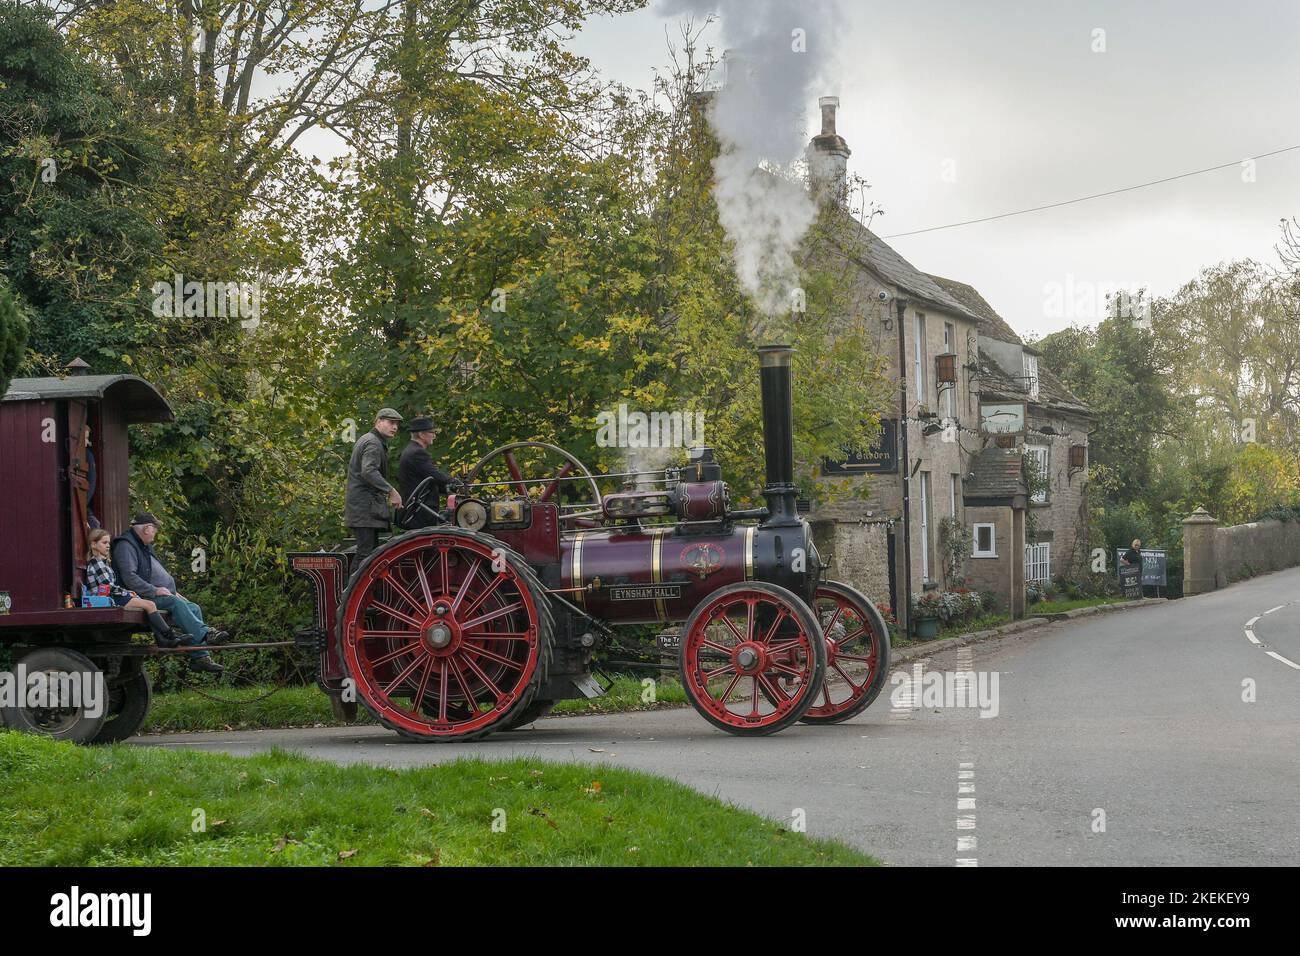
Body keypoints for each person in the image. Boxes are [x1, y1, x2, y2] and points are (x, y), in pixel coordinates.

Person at [112, 513, 228, 674]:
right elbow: (130, 578)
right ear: (147, 528)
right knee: (175, 603)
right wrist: (155, 590)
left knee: (194, 607)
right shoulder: (126, 545)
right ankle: (206, 634)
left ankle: (200, 658)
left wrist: (175, 592)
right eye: (154, 529)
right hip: (139, 597)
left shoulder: (142, 545)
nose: (155, 533)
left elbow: (153, 574)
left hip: (157, 594)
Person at [85, 528, 181, 647]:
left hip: (111, 596)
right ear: (94, 544)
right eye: (104, 543)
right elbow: (108, 587)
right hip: (105, 599)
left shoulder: (103, 562)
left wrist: (128, 592)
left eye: (109, 543)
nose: (108, 546)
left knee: (147, 604)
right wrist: (126, 593)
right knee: (149, 605)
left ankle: (163, 638)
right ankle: (169, 635)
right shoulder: (96, 563)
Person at [346, 408, 403, 564]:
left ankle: (361, 589)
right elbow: (369, 471)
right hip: (364, 508)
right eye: (391, 423)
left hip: (364, 508)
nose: (395, 427)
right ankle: (352, 589)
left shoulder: (369, 439)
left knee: (370, 555)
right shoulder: (373, 442)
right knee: (365, 555)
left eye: (397, 424)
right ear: (378, 422)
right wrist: (391, 491)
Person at [398, 416, 456, 528]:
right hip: (419, 512)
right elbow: (434, 475)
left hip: (418, 510)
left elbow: (428, 480)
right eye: (432, 432)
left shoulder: (411, 450)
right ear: (421, 434)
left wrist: (447, 487)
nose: (434, 436)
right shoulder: (416, 453)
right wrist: (453, 481)